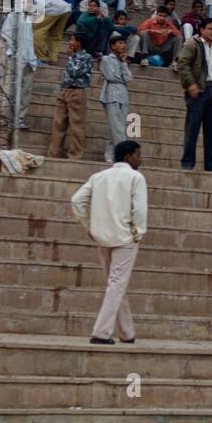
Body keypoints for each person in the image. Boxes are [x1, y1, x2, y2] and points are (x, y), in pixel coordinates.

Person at [71, 139, 147, 345]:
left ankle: (127, 332)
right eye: (138, 155)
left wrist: (89, 226)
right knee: (116, 285)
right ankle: (101, 332)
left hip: (102, 237)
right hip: (125, 238)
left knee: (114, 284)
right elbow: (139, 210)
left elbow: (76, 201)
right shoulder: (135, 177)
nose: (140, 159)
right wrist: (138, 232)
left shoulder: (98, 177)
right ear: (128, 156)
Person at [177, 17, 212, 171]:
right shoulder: (193, 44)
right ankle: (187, 163)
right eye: (210, 29)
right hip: (198, 90)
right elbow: (182, 64)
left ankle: (211, 165)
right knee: (192, 128)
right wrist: (190, 84)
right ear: (202, 29)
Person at [48, 35, 93, 159]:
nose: (70, 42)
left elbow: (75, 72)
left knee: (77, 125)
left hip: (77, 91)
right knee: (58, 123)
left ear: (79, 42)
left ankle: (75, 155)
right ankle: (54, 153)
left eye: (72, 40)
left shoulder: (86, 57)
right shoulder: (72, 56)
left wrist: (70, 57)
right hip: (65, 90)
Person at [0, 0, 40, 129]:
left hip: (29, 60)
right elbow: (5, 34)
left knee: (26, 91)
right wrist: (12, 53)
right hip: (17, 59)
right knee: (11, 90)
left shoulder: (28, 18)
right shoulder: (13, 16)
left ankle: (19, 119)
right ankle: (7, 118)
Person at [99, 35, 133, 163]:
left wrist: (124, 63)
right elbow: (112, 76)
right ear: (113, 46)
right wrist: (122, 77)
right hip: (111, 94)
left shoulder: (122, 61)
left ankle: (110, 155)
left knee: (120, 127)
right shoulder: (106, 59)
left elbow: (128, 78)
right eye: (120, 43)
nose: (123, 45)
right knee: (117, 127)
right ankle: (122, 156)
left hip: (123, 95)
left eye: (124, 43)